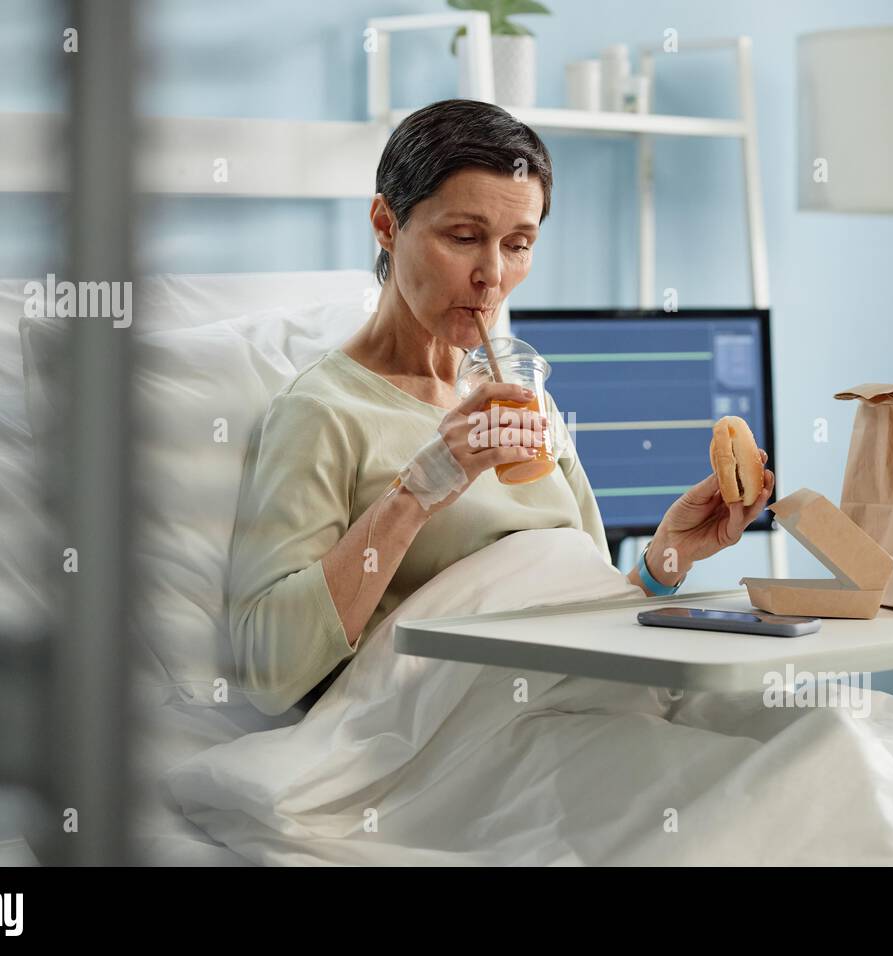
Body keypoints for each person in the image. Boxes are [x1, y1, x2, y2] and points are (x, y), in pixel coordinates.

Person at [227, 99, 774, 716]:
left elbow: (598, 613)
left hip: (586, 697)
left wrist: (669, 555)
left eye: (518, 244)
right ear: (386, 223)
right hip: (459, 728)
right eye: (464, 237)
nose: (492, 274)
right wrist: (422, 488)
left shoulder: (524, 403)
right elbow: (266, 669)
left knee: (810, 736)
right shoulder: (324, 412)